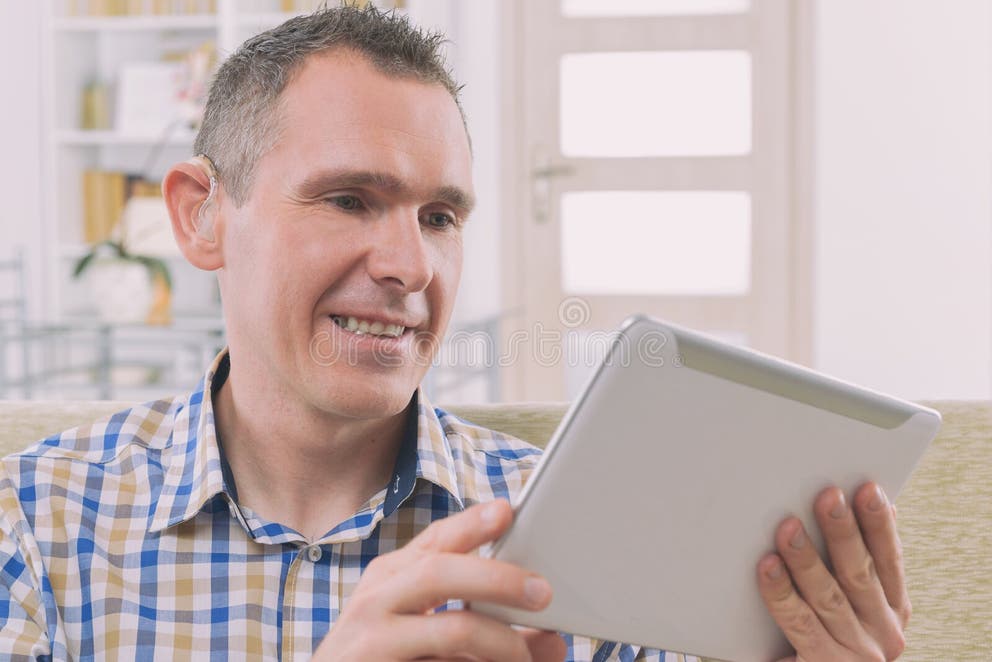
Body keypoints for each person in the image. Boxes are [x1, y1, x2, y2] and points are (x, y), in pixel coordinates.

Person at [0, 6, 910, 661]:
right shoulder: (40, 523)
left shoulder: (580, 531)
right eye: (350, 199)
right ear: (203, 217)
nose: (411, 266)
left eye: (441, 216)